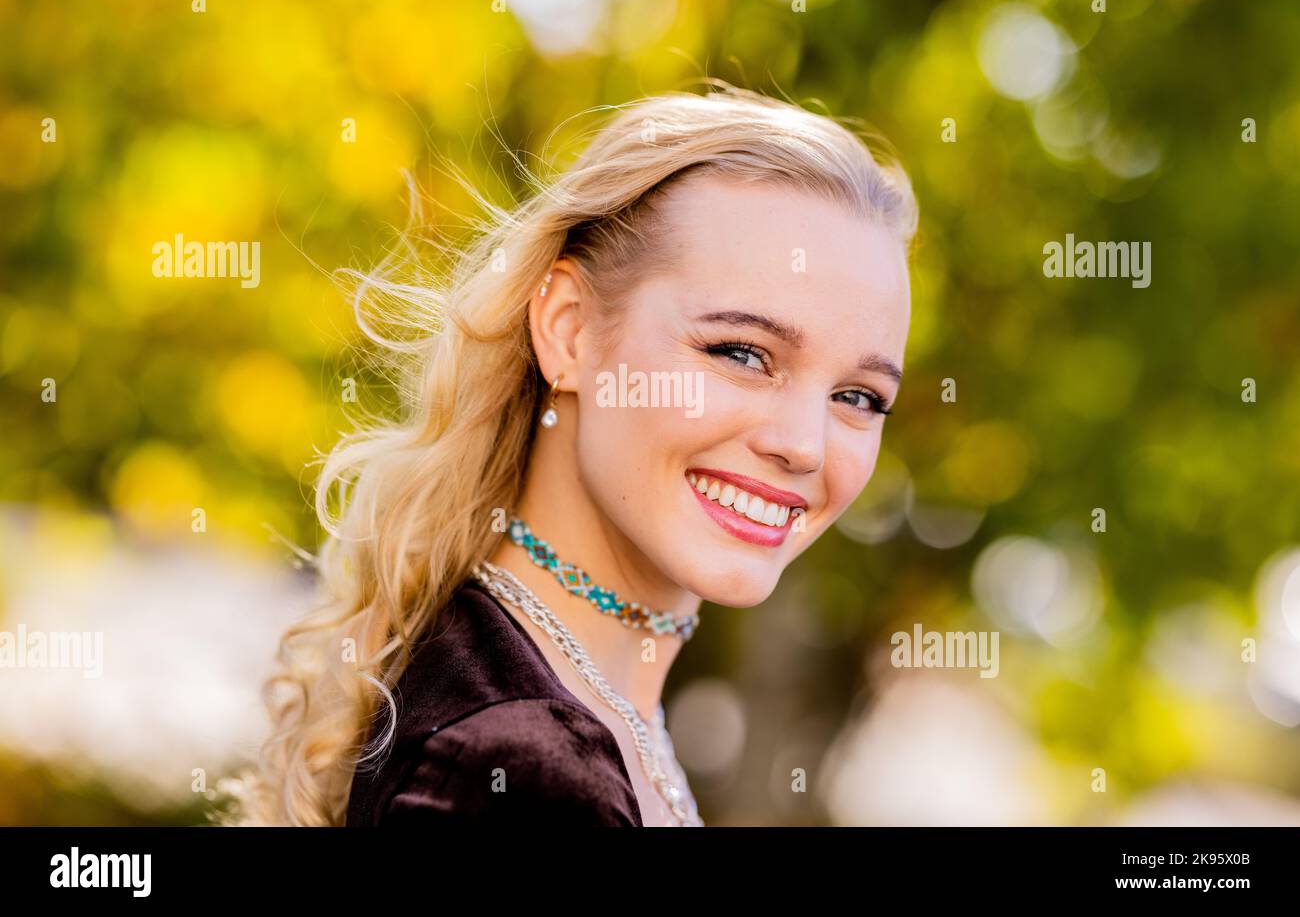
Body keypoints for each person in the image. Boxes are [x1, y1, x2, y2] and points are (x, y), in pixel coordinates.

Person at [215, 81, 919, 826]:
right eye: (742, 352)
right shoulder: (519, 770)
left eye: (860, 397)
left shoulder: (571, 698)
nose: (804, 445)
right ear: (569, 328)